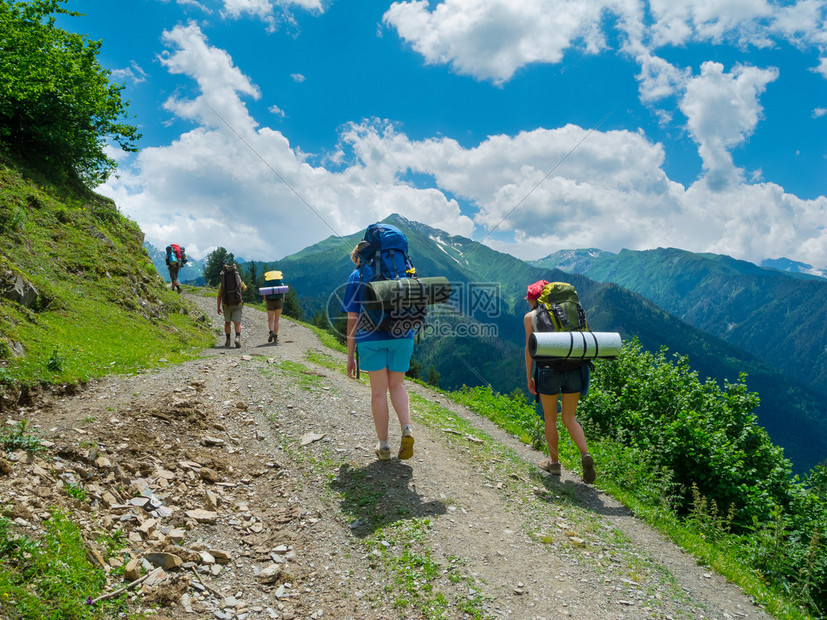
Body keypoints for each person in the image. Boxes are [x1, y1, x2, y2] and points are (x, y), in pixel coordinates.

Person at [343, 241, 415, 461]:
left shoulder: (356, 277)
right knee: (397, 384)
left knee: (378, 391)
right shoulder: (402, 273)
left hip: (370, 337)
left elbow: (352, 319)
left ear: (358, 257)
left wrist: (349, 356)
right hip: (403, 334)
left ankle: (383, 446)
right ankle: (407, 428)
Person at [524, 280, 596, 484]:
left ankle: (554, 463)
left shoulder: (531, 317)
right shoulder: (571, 313)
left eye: (528, 299)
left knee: (550, 419)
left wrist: (529, 376)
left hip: (548, 372)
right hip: (575, 368)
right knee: (569, 418)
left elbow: (530, 351)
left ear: (533, 298)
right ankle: (585, 454)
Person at [217, 264, 248, 348]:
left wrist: (218, 307)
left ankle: (228, 340)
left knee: (227, 322)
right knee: (237, 323)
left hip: (226, 304)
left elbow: (219, 296)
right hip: (237, 303)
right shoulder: (238, 280)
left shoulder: (223, 282)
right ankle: (237, 338)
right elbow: (245, 288)